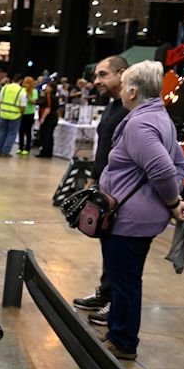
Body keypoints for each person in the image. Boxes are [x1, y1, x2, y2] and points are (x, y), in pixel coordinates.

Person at [97, 60, 184, 360]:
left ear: (133, 91)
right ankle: (117, 332)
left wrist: (172, 202)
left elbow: (163, 169)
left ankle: (122, 341)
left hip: (129, 219)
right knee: (126, 278)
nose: (122, 91)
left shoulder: (139, 123)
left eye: (124, 86)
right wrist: (168, 199)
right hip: (140, 215)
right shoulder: (160, 117)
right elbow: (178, 164)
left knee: (124, 281)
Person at [73, 56, 130, 323]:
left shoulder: (133, 111)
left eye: (103, 75)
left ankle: (116, 304)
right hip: (105, 189)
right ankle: (106, 293)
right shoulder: (113, 105)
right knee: (107, 244)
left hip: (122, 194)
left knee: (120, 252)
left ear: (123, 74)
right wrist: (94, 179)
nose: (96, 81)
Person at [0, 74, 27, 157]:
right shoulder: (21, 91)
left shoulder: (5, 87)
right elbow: (23, 105)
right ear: (21, 81)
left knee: (2, 132)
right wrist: (21, 113)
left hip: (3, 113)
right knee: (12, 133)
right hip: (15, 115)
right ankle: (5, 151)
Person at [35, 80, 59, 158]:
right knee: (49, 135)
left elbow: (48, 108)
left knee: (45, 135)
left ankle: (44, 152)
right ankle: (48, 152)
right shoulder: (54, 97)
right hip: (54, 118)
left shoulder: (49, 97)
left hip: (49, 118)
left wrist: (42, 118)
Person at [17, 76, 38, 155]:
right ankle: (20, 147)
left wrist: (28, 97)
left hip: (30, 113)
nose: (25, 85)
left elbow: (34, 102)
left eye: (27, 83)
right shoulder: (22, 90)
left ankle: (27, 148)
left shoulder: (34, 91)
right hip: (22, 112)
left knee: (28, 131)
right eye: (25, 83)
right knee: (21, 130)